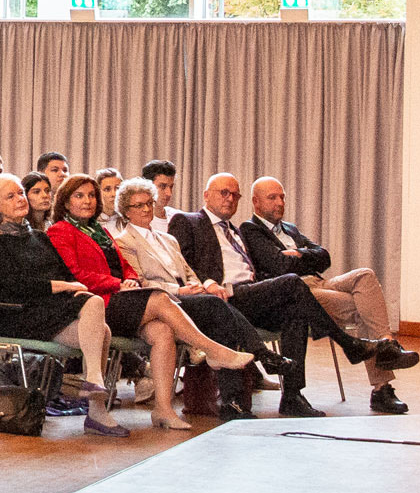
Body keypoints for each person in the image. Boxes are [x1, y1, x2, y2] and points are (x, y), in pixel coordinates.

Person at [167, 174, 407, 418]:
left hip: (252, 294)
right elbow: (179, 262)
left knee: (297, 312)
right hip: (223, 295)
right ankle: (349, 344)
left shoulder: (237, 232)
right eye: (223, 193)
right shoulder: (189, 221)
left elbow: (323, 257)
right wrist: (207, 283)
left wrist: (299, 255)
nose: (230, 199)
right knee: (292, 284)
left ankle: (292, 396)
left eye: (234, 194)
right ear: (207, 195)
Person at [44, 175, 259, 431]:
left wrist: (131, 280)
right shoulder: (59, 230)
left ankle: (163, 410)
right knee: (159, 298)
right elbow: (76, 274)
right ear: (65, 203)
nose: (87, 201)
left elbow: (125, 267)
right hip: (94, 304)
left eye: (91, 195)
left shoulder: (98, 231)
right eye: (79, 196)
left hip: (119, 298)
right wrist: (117, 284)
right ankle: (212, 350)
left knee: (163, 331)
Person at [238, 175, 417, 414]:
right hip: (299, 293)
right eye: (272, 198)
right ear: (256, 202)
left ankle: (386, 344)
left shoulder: (289, 229)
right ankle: (382, 387)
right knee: (366, 310)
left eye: (282, 197)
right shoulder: (250, 229)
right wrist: (303, 258)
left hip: (321, 283)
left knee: (365, 276)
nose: (279, 202)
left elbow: (324, 257)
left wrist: (299, 254)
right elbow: (279, 266)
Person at [0, 176, 124, 436]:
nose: (20, 199)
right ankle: (96, 397)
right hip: (19, 315)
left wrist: (68, 286)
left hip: (48, 312)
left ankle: (95, 408)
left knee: (103, 331)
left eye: (20, 193)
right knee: (95, 305)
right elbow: (17, 287)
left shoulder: (40, 238)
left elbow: (67, 275)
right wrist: (64, 288)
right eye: (10, 196)